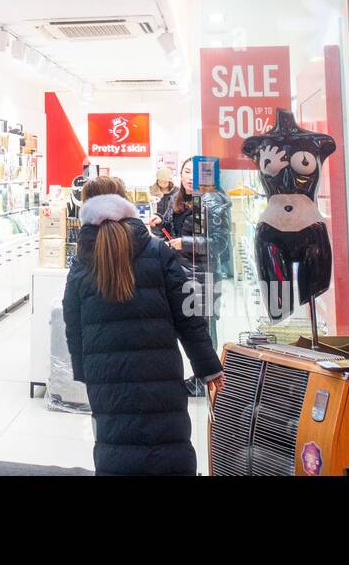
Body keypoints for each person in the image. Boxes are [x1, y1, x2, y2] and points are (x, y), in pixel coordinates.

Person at [63, 176, 224, 476]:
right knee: (168, 444)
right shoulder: (157, 251)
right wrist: (208, 366)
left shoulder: (82, 262)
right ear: (124, 203)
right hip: (159, 371)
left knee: (115, 446)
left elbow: (72, 324)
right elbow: (188, 316)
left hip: (107, 375)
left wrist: (84, 372)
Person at [163, 157, 233, 385]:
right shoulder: (183, 200)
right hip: (180, 273)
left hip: (202, 275)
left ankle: (206, 380)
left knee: (202, 329)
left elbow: (218, 243)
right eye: (185, 171)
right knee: (190, 327)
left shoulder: (212, 201)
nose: (190, 177)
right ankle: (199, 378)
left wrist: (184, 242)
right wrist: (160, 226)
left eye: (195, 173)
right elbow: (174, 231)